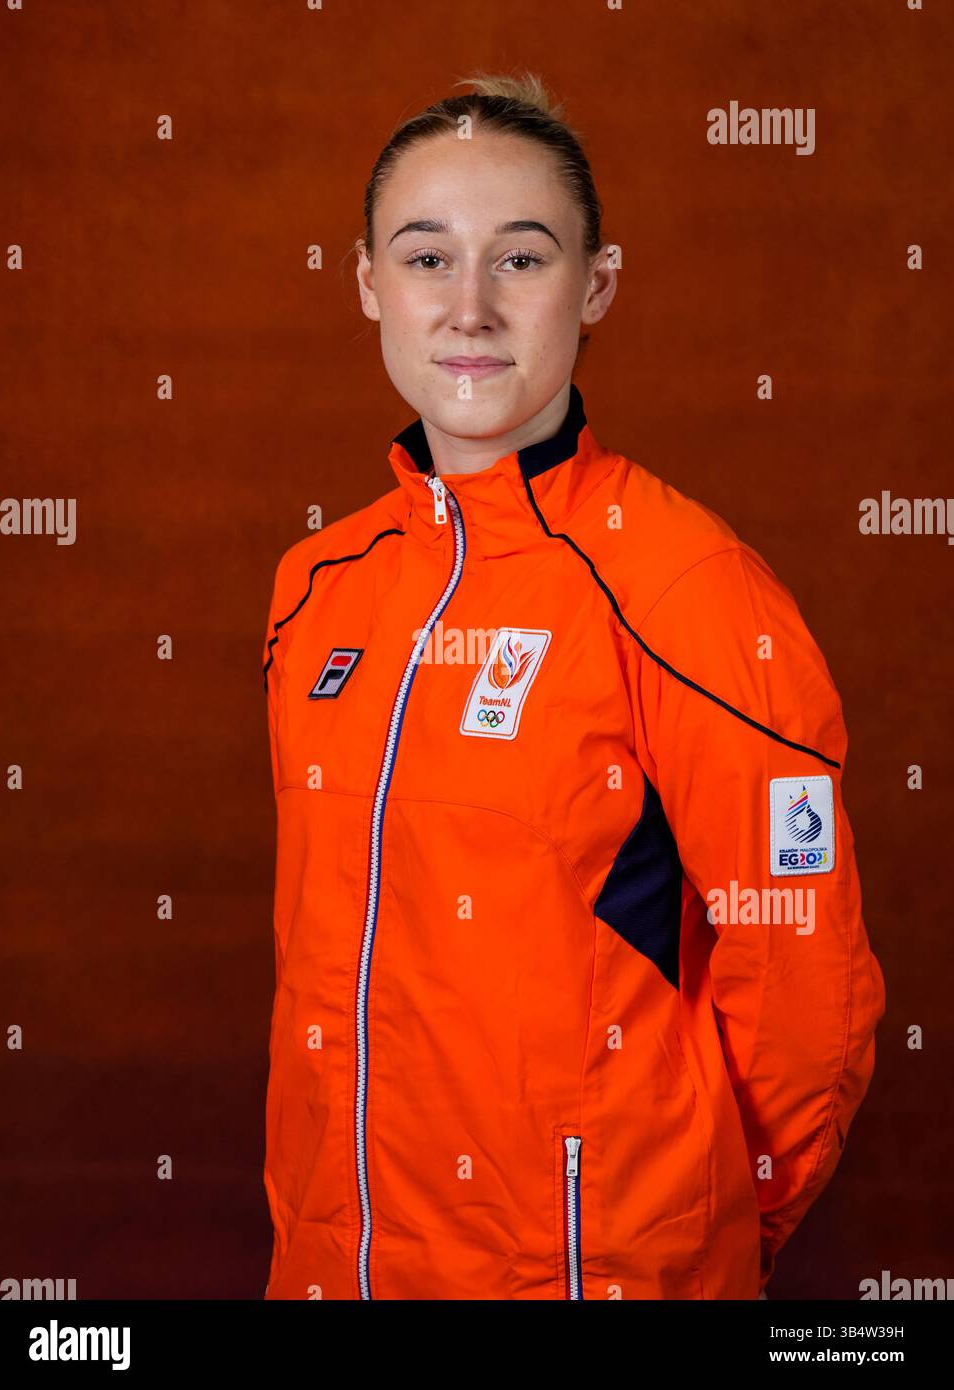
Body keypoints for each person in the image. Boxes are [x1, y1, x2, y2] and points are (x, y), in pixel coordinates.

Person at [260, 70, 886, 1301]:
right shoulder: (316, 587)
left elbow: (804, 991)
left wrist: (698, 1239)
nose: (471, 307)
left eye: (524, 259)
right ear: (367, 283)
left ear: (596, 286)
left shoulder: (687, 586)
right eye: (427, 258)